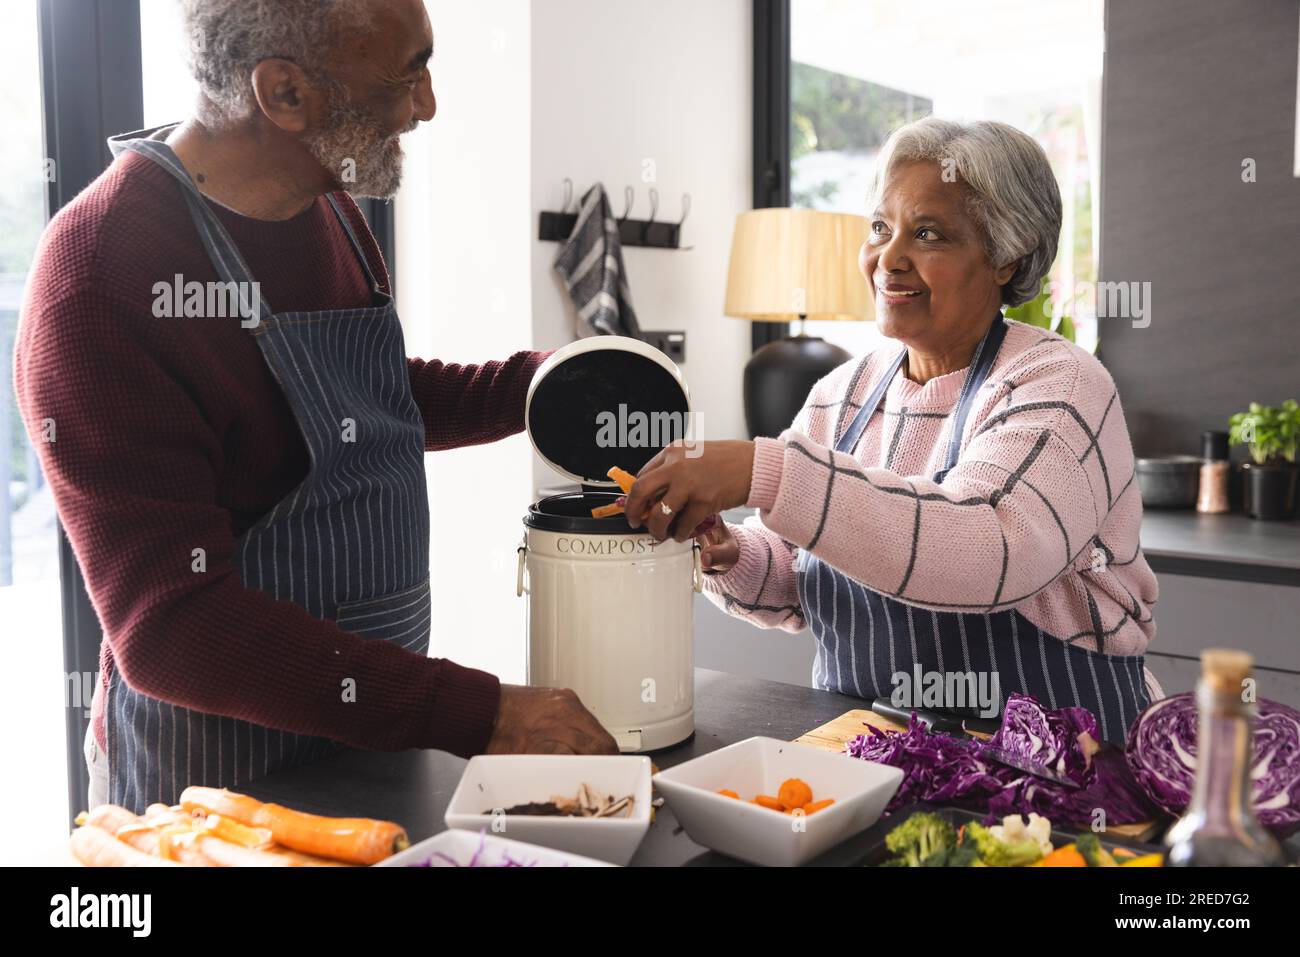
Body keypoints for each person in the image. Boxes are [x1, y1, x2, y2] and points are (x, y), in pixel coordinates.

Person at [16, 0, 615, 815]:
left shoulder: (324, 199)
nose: (428, 104)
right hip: (216, 792)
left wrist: (549, 384)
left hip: (364, 750)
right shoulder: (102, 277)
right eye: (407, 75)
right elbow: (172, 626)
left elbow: (359, 401)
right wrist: (487, 712)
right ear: (284, 94)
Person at [624, 118, 1161, 745]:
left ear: (1006, 256)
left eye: (927, 233)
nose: (888, 258)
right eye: (881, 228)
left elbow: (991, 550)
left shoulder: (1060, 384)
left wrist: (758, 469)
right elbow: (796, 581)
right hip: (869, 757)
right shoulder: (842, 394)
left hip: (1062, 769)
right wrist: (728, 553)